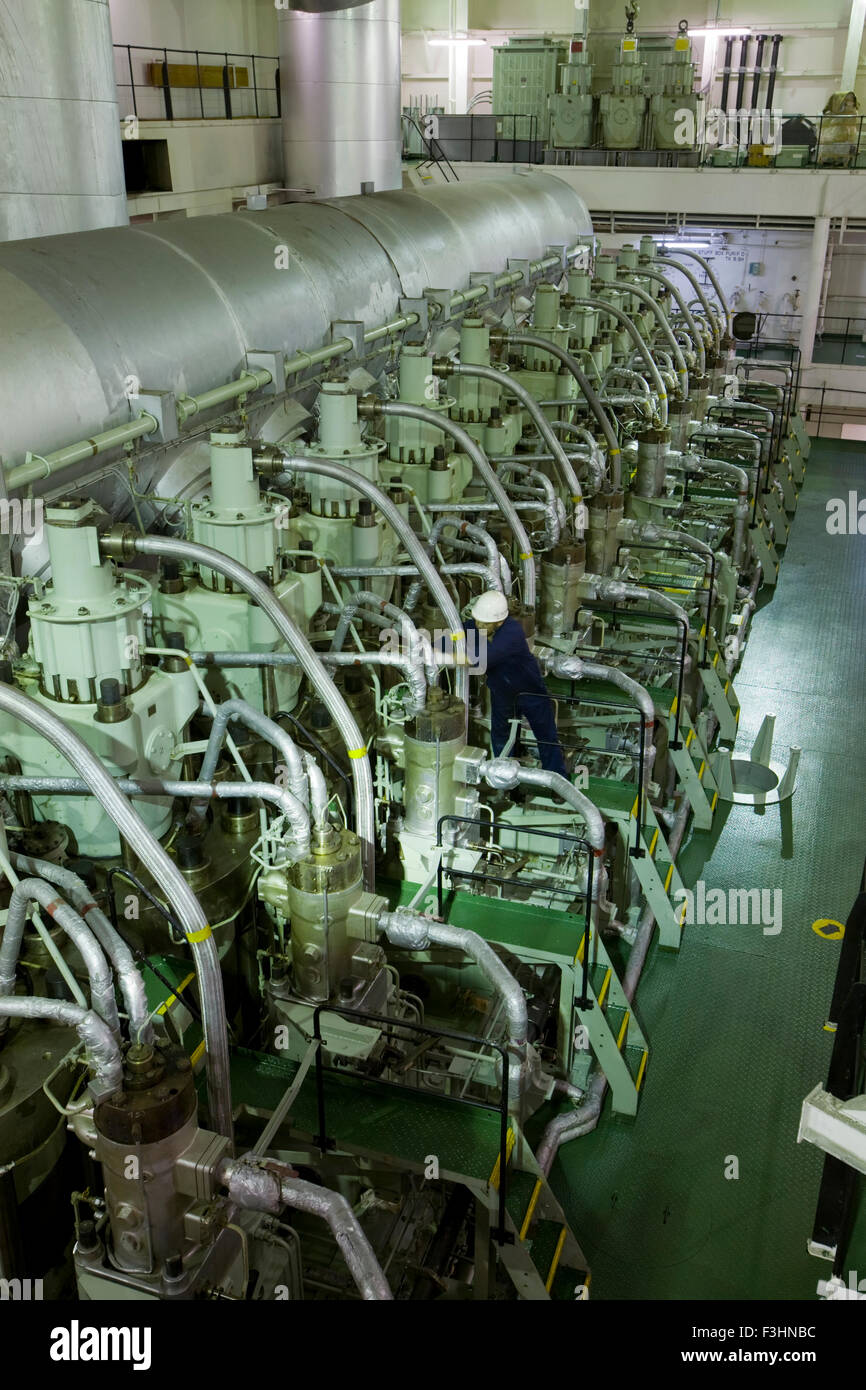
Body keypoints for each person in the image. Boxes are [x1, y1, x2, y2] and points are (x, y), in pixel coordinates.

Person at [466, 590, 569, 778]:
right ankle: (503, 777)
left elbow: (483, 658)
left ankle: (558, 778)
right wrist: (429, 643)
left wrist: (445, 657)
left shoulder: (512, 632)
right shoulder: (477, 625)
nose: (478, 625)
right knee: (501, 736)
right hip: (502, 693)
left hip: (529, 691)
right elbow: (454, 634)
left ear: (499, 622)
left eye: (484, 623)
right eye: (477, 620)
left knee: (546, 736)